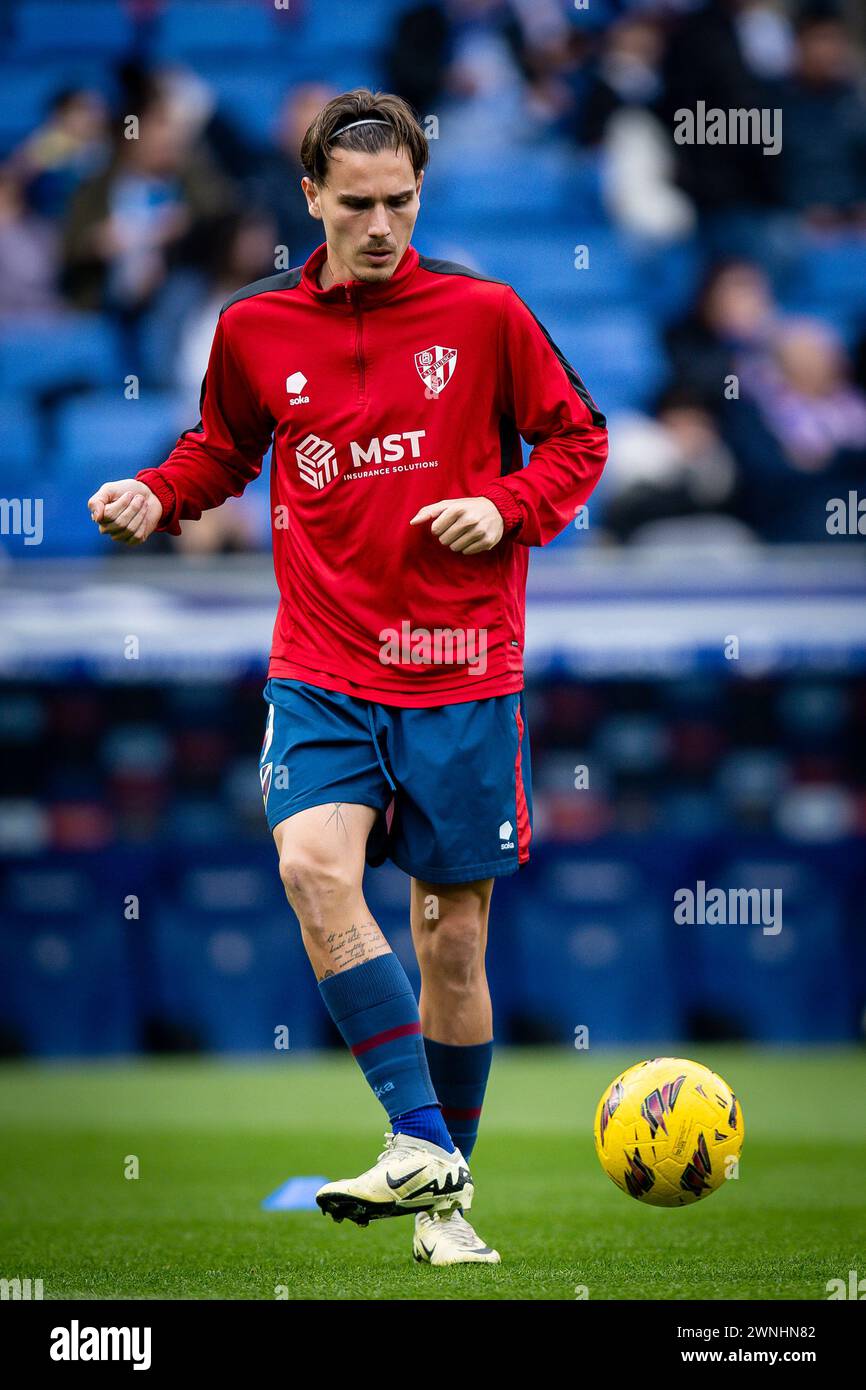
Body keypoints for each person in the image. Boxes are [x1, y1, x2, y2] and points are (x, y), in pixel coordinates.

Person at [86, 88, 607, 1267]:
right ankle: (416, 1136)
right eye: (359, 204)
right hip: (321, 665)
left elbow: (578, 439)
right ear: (312, 196)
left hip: (462, 671)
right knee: (308, 863)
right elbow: (221, 446)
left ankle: (441, 1204)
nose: (382, 226)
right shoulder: (255, 327)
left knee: (452, 945)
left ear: (420, 193)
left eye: (403, 203)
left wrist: (506, 504)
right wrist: (156, 493)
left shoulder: (484, 315)